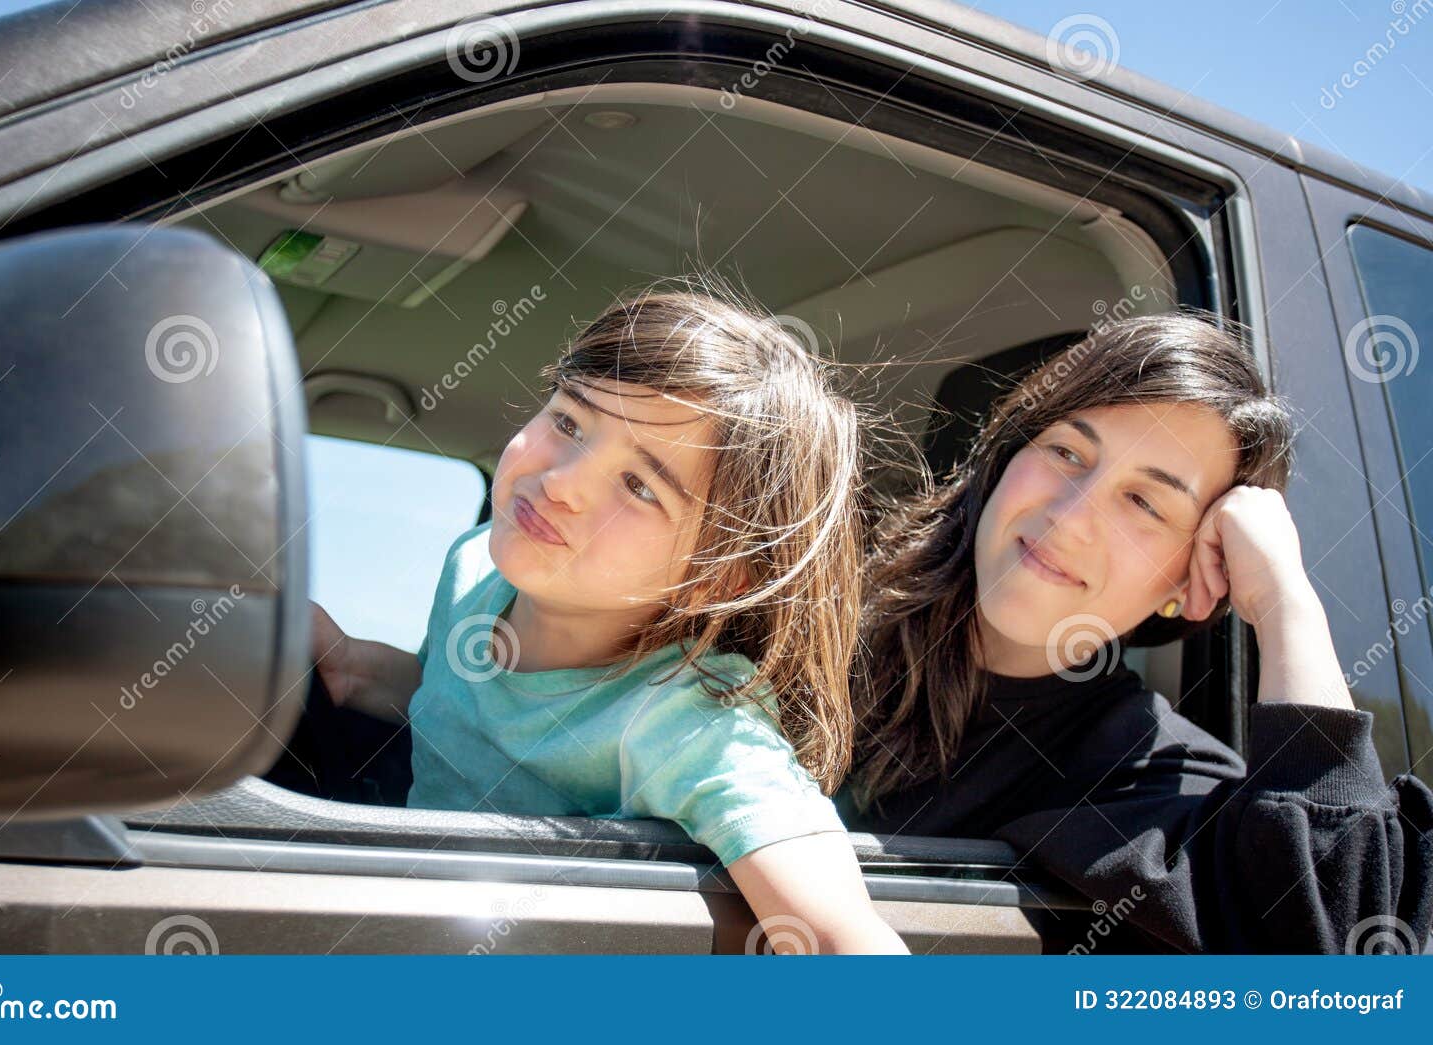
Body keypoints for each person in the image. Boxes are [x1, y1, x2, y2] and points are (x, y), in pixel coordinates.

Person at [312, 286, 906, 954]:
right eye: (569, 421)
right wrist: (349, 663)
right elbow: (457, 705)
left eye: (640, 486)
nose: (562, 481)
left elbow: (850, 944)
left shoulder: (689, 720)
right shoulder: (476, 567)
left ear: (720, 575)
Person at [844, 312, 1433, 953]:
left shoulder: (1151, 778)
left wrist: (1286, 602)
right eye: (1067, 452)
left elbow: (1338, 974)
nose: (1069, 518)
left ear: (1193, 580)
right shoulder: (802, 626)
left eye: (1145, 503)